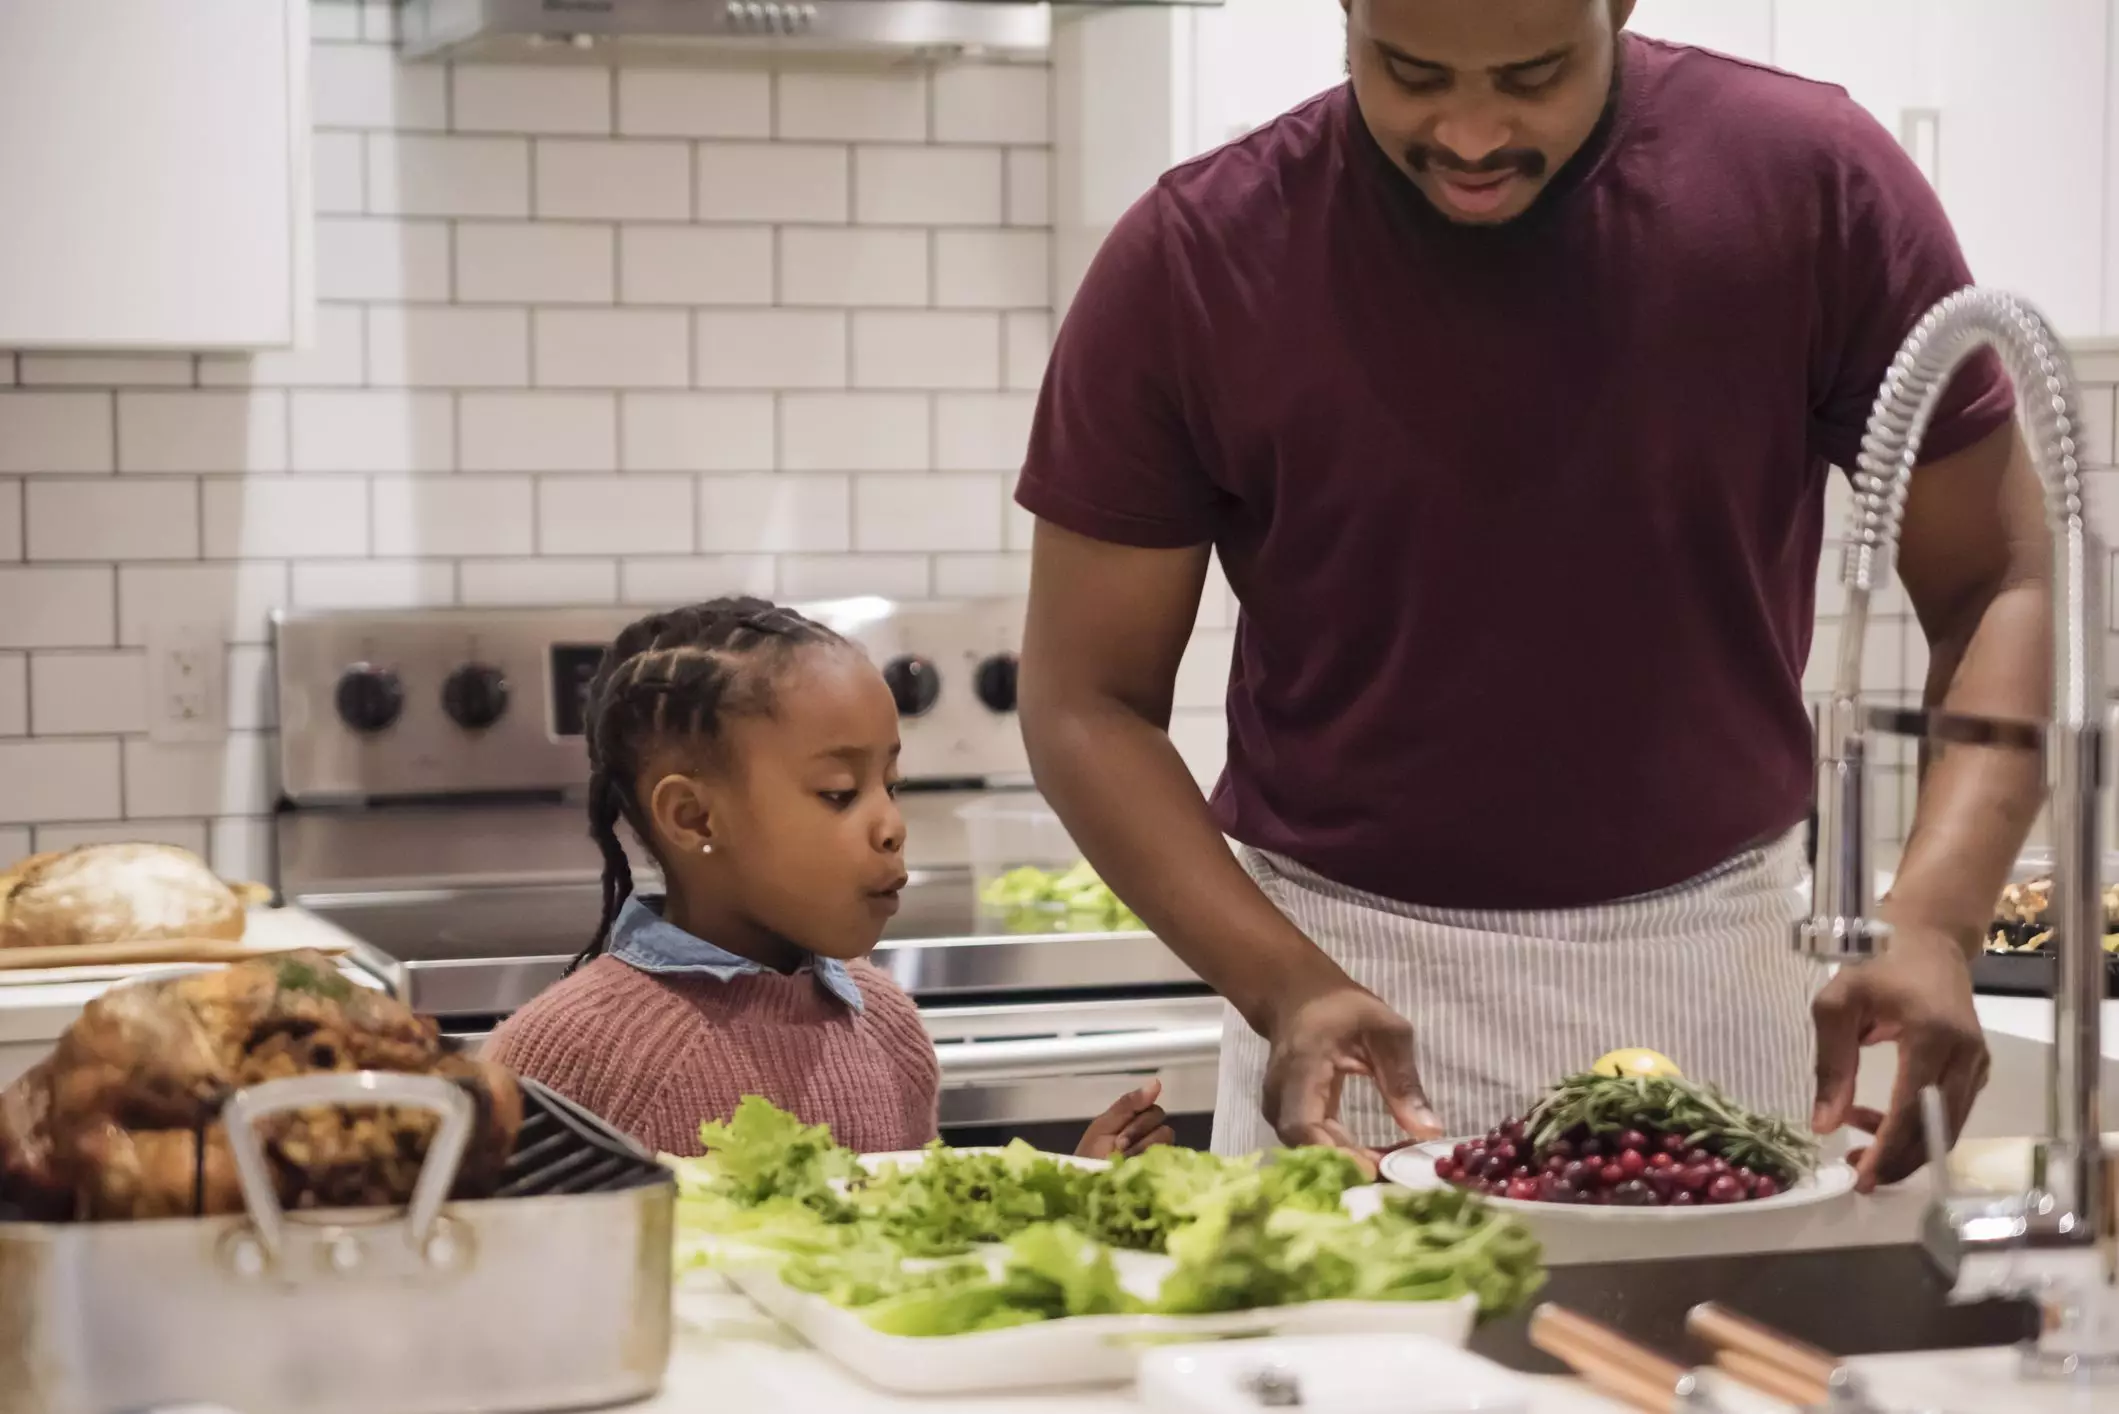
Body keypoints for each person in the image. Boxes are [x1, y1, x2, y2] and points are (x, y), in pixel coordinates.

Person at [1013, 0, 2044, 1190]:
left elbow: (1996, 577)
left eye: (1532, 74)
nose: (1466, 132)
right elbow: (1087, 701)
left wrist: (1936, 919)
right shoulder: (1195, 255)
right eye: (1406, 71)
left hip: (1716, 963)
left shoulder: (1812, 187)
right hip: (1333, 975)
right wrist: (1276, 979)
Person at [488, 597, 1176, 1160]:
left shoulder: (886, 1025)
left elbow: (906, 1258)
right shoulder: (568, 1057)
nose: (891, 826)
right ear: (694, 817)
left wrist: (1077, 1181)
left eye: (892, 785)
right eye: (840, 793)